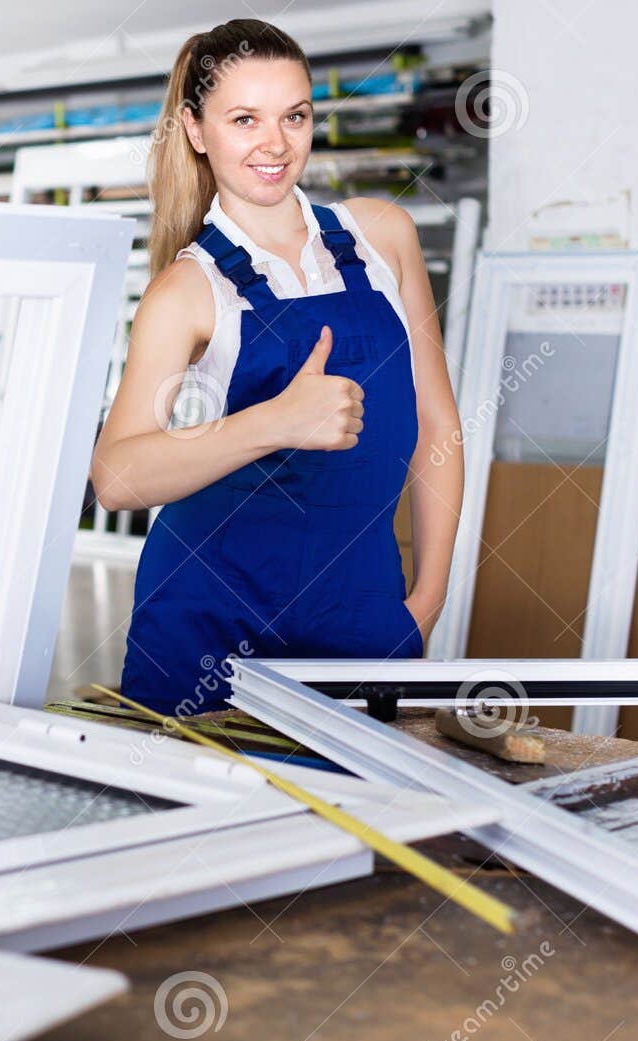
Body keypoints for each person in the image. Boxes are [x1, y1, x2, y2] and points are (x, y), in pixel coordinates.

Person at [94, 18, 463, 715]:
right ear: (197, 131)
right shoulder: (189, 289)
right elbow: (116, 476)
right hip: (207, 627)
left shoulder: (382, 237)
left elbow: (438, 423)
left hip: (361, 619)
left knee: (359, 822)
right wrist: (275, 421)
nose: (276, 144)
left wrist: (428, 600)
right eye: (244, 119)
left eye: (294, 116)